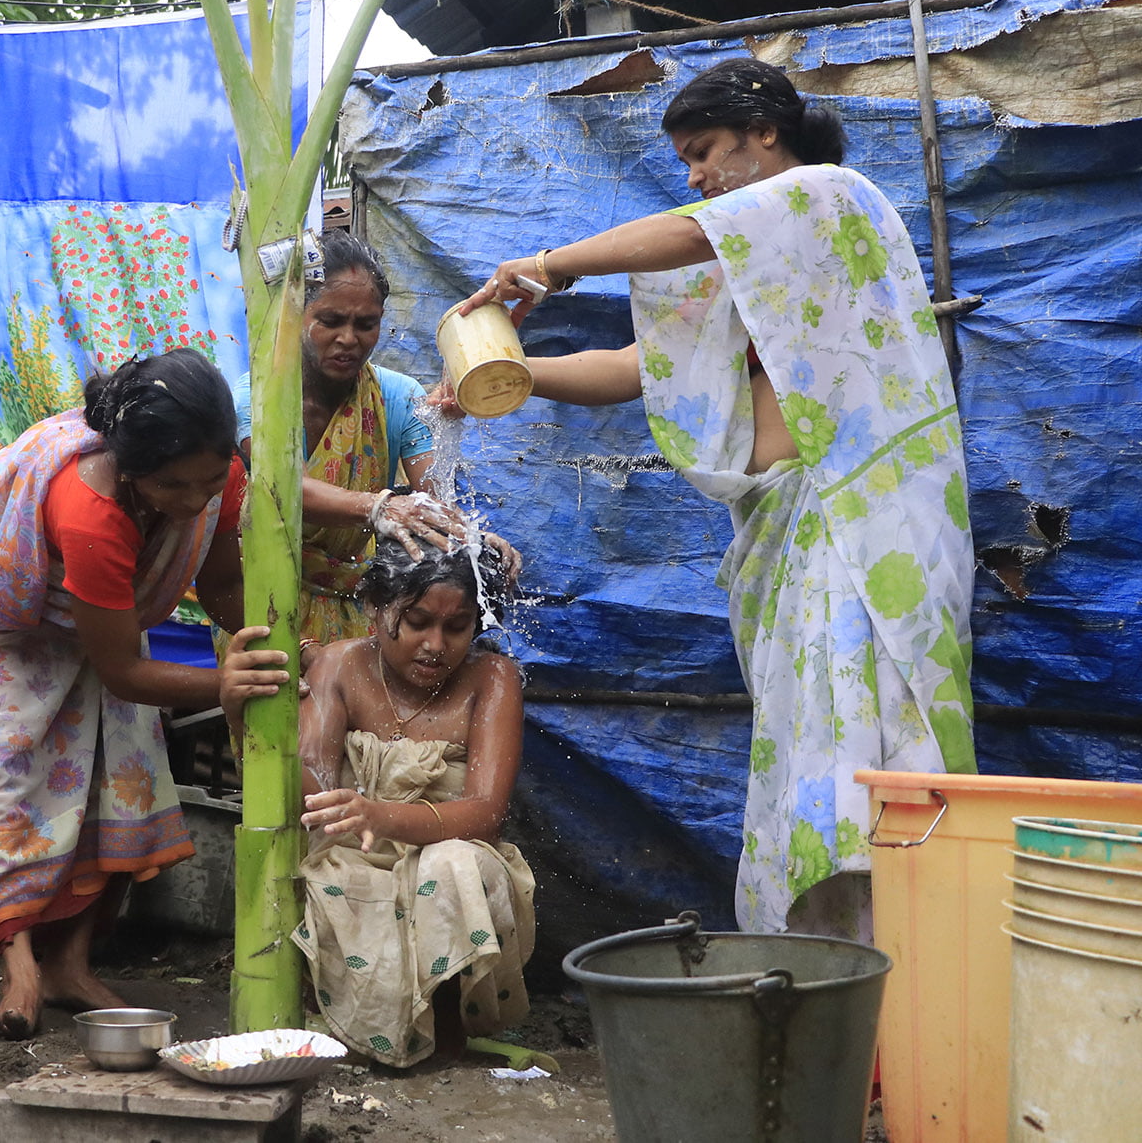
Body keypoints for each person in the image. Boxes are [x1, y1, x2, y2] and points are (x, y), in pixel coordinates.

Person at [453, 57, 974, 939]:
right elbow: (635, 371)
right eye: (686, 162)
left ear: (763, 132)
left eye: (703, 152)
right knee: (812, 760)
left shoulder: (831, 197)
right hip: (789, 528)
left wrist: (545, 264)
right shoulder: (747, 272)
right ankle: (824, 987)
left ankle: (900, 993)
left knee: (866, 759)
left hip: (864, 529)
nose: (694, 177)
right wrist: (511, 376)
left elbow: (694, 232)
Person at [0, 348, 263, 1041]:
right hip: (12, 630)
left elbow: (223, 586)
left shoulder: (218, 474)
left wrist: (276, 640)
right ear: (132, 467)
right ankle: (21, 973)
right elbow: (123, 673)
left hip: (106, 625)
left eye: (206, 481)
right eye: (173, 486)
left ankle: (72, 966)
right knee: (11, 786)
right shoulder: (91, 508)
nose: (194, 501)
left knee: (118, 778)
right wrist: (224, 683)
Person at [223, 533, 532, 1067]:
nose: (436, 645)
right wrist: (240, 714)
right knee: (340, 876)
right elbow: (312, 791)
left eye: (457, 627)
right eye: (416, 622)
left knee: (454, 865)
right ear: (374, 608)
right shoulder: (341, 666)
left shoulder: (493, 676)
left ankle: (447, 1027)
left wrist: (379, 812)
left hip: (452, 846)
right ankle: (376, 1031)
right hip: (355, 852)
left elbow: (485, 813)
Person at [230, 231, 483, 644]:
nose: (349, 339)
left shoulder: (399, 397)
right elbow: (279, 486)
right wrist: (377, 506)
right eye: (330, 321)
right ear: (295, 314)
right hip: (267, 602)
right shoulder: (256, 398)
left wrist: (478, 541)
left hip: (361, 606)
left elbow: (432, 507)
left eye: (366, 324)